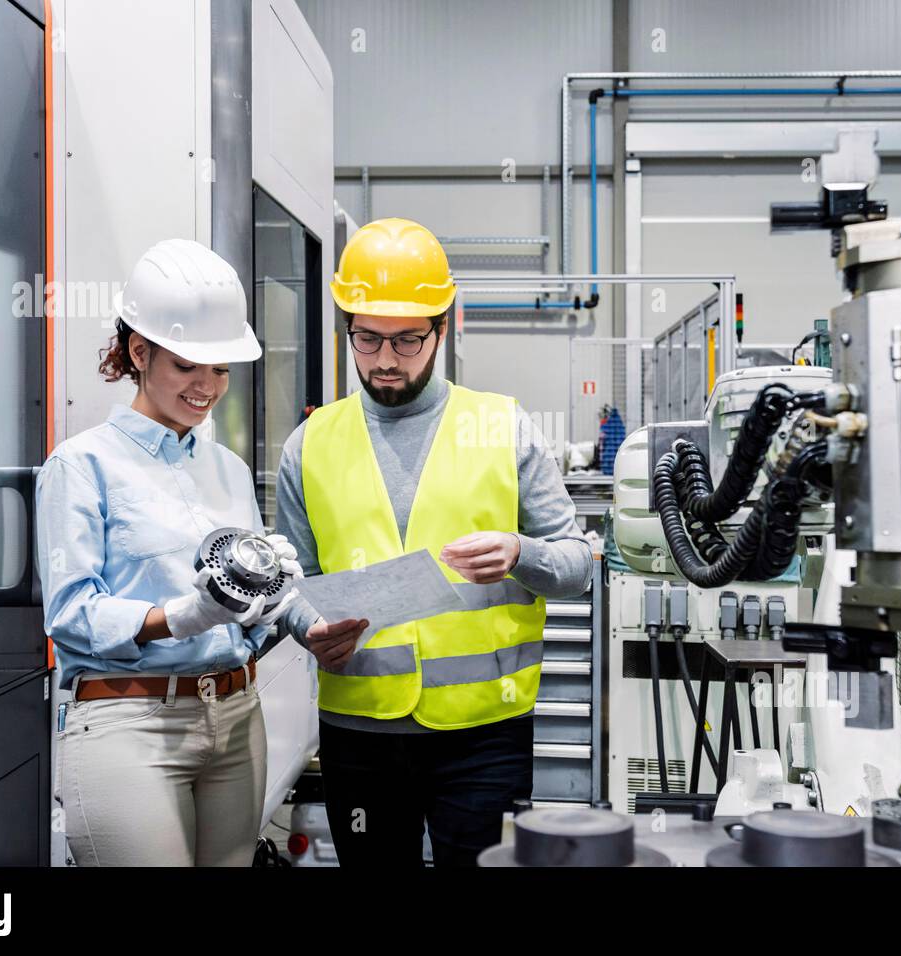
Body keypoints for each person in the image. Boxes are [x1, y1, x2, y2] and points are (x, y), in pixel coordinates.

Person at [275, 217, 592, 866]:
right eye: (367, 339)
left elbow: (578, 563)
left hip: (485, 736)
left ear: (442, 329)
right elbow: (290, 581)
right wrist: (307, 628)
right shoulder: (308, 446)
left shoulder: (503, 427)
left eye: (407, 340)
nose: (386, 359)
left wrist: (519, 552)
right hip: (357, 731)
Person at [37, 238, 300, 866]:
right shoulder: (81, 465)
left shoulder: (230, 471)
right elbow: (69, 616)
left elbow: (238, 614)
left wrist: (280, 610)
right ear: (139, 351)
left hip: (237, 717)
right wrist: (176, 617)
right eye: (188, 366)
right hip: (130, 724)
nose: (208, 387)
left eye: (221, 369)